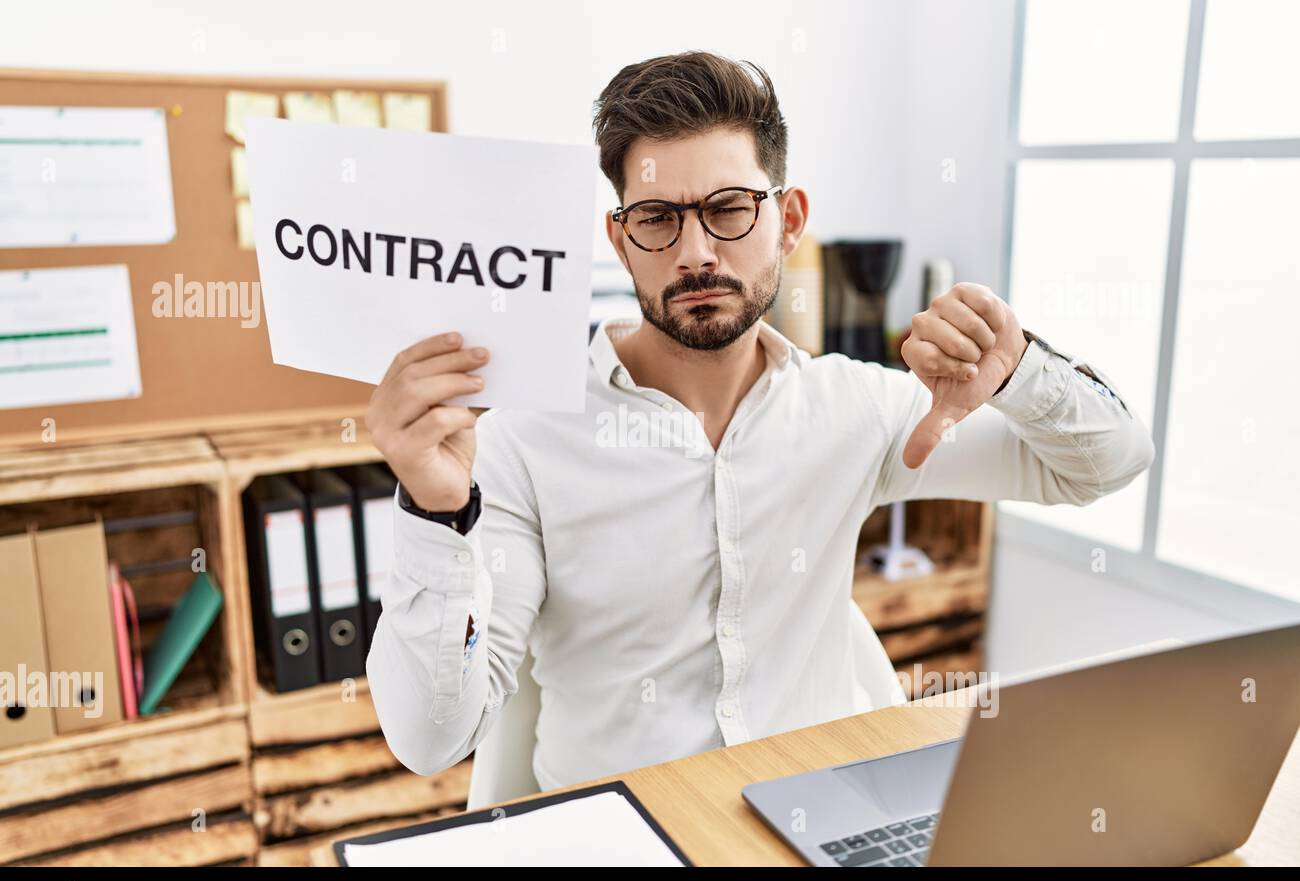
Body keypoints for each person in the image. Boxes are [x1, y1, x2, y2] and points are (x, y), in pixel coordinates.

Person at [363, 51, 1155, 791]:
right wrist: (434, 512)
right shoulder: (524, 440)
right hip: (626, 836)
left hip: (813, 818)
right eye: (657, 219)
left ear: (790, 217)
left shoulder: (854, 407)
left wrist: (1020, 370)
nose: (696, 252)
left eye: (729, 209)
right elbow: (432, 740)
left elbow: (1110, 463)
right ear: (619, 238)